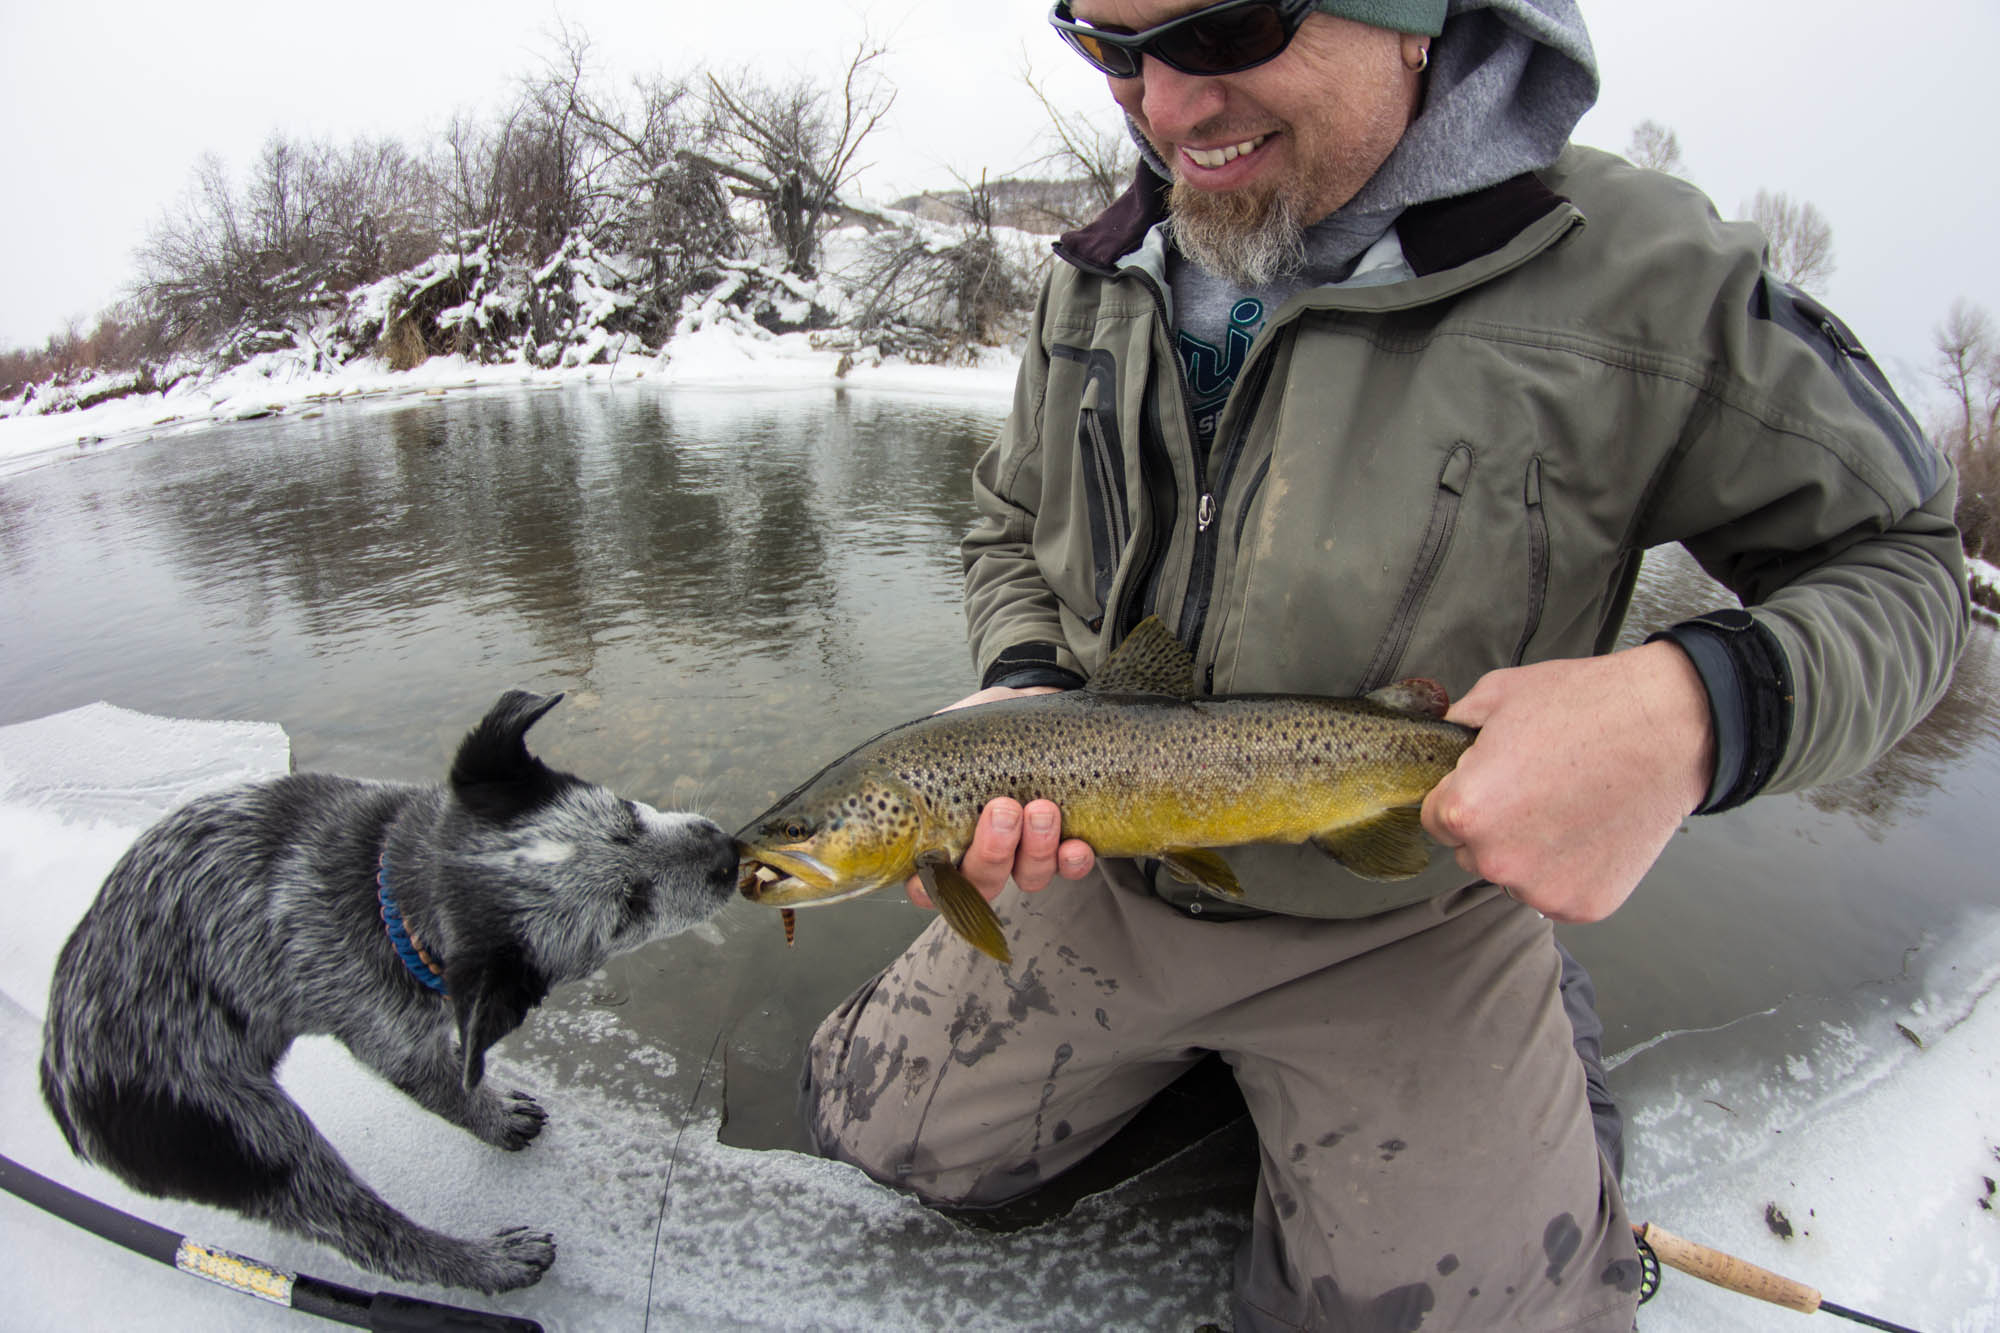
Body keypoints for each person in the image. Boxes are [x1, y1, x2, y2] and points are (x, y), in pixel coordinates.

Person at [801, 1, 1969, 1329]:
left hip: (1413, 911)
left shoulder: (1645, 275)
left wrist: (1697, 709)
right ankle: (1231, 1076)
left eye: (1228, 26)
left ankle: (1531, 1051)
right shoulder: (1098, 266)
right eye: (1114, 47)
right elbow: (1011, 514)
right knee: (876, 1139)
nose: (1170, 109)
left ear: (1417, 18)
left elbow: (1906, 559)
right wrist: (1022, 682)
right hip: (1112, 865)